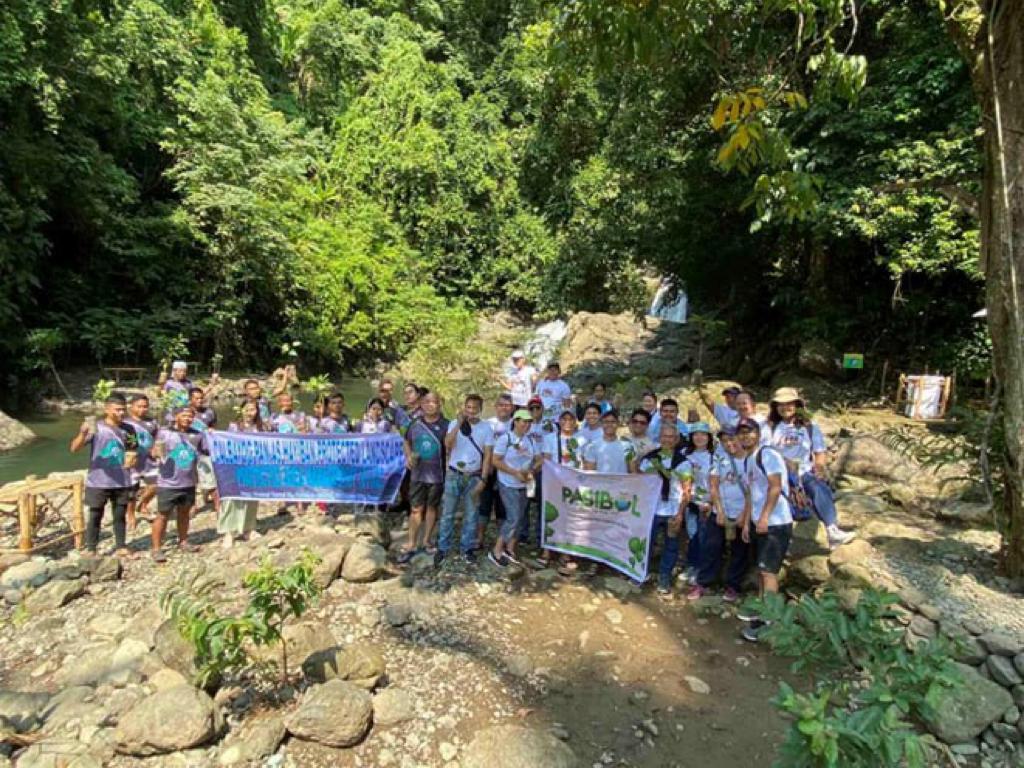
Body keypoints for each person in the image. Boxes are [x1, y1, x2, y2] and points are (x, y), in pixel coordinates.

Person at [767, 387, 855, 548]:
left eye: (789, 404)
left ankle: (831, 529)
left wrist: (820, 468)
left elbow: (819, 452)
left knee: (817, 486)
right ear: (775, 407)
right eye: (780, 404)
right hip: (778, 474)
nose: (785, 408)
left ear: (796, 405)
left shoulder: (809, 426)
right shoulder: (770, 427)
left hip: (804, 471)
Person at [734, 417, 793, 642]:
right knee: (761, 570)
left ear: (757, 434)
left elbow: (775, 487)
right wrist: (749, 521)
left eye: (749, 432)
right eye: (741, 433)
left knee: (769, 572)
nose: (745, 436)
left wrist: (765, 517)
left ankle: (769, 621)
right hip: (760, 522)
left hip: (776, 522)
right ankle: (762, 610)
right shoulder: (750, 458)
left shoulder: (767, 454)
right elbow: (751, 493)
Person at [69, 393, 138, 557]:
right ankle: (91, 548)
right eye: (117, 410)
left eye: (123, 410)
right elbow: (74, 448)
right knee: (95, 515)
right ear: (107, 409)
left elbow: (132, 451)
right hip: (98, 480)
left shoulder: (129, 429)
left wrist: (132, 460)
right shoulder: (96, 427)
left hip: (122, 480)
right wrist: (82, 433)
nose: (121, 413)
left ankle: (121, 545)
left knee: (120, 514)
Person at [436, 394, 494, 566]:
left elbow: (488, 454)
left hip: (474, 476)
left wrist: (483, 479)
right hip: (454, 473)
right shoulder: (455, 424)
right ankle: (443, 547)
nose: (471, 411)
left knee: (471, 515)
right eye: (468, 407)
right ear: (464, 407)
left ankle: (466, 548)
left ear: (480, 410)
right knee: (447, 513)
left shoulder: (486, 428)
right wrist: (459, 425)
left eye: (474, 408)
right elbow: (447, 444)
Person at [638, 422, 692, 597]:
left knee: (671, 546)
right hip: (653, 509)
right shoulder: (649, 459)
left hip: (673, 509)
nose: (667, 440)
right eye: (664, 436)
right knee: (647, 543)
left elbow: (686, 489)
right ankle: (641, 572)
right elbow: (642, 483)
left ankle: (664, 578)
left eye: (671, 437)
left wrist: (680, 512)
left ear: (676, 439)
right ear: (659, 438)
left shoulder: (683, 463)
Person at [398, 392, 449, 563]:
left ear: (439, 404)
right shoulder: (414, 423)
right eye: (426, 402)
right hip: (418, 473)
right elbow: (405, 440)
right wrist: (408, 456)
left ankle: (427, 540)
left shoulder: (446, 425)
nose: (430, 405)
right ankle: (412, 542)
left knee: (432, 508)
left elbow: (450, 449)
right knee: (415, 509)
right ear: (421, 404)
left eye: (433, 402)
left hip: (437, 475)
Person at [151, 406, 207, 561]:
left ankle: (183, 541)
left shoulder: (197, 435)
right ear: (176, 416)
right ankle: (156, 548)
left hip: (188, 482)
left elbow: (206, 451)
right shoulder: (165, 432)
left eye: (190, 416)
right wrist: (155, 452)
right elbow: (153, 452)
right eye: (184, 415)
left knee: (184, 513)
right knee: (162, 515)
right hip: (168, 482)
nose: (187, 419)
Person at [705, 426, 754, 603]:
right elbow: (713, 485)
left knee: (739, 551)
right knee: (712, 546)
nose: (729, 444)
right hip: (721, 510)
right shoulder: (719, 457)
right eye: (725, 441)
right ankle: (705, 582)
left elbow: (752, 491)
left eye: (732, 439)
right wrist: (719, 509)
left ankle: (733, 586)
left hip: (742, 512)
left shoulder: (751, 459)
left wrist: (744, 515)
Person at [538, 409, 588, 574]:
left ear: (575, 422)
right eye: (564, 419)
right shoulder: (550, 438)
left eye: (571, 419)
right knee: (550, 516)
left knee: (570, 518)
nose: (567, 422)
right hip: (553, 482)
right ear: (559, 421)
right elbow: (545, 459)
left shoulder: (581, 439)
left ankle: (566, 552)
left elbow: (584, 462)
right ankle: (547, 550)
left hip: (574, 484)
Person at [488, 409, 541, 568]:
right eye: (523, 421)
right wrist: (514, 472)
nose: (526, 425)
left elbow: (539, 459)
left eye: (529, 422)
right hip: (508, 483)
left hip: (524, 484)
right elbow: (495, 460)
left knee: (521, 517)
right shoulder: (506, 438)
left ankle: (510, 549)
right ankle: (496, 550)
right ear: (515, 422)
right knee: (513, 517)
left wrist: (532, 470)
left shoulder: (531, 441)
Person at [217, 401, 263, 548]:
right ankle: (229, 532)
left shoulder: (261, 428)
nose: (251, 412)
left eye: (253, 409)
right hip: (235, 467)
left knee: (251, 499)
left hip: (253, 468)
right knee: (232, 499)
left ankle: (248, 528)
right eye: (248, 409)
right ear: (241, 410)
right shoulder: (234, 426)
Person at [680, 423, 715, 599]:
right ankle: (692, 566)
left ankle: (700, 570)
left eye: (703, 434)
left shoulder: (714, 457)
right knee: (692, 535)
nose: (699, 438)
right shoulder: (685, 455)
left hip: (707, 504)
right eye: (696, 434)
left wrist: (710, 502)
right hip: (690, 502)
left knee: (703, 537)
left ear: (709, 438)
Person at [478, 394, 514, 549]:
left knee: (503, 508)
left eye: (507, 405)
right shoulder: (488, 424)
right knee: (484, 505)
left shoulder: (516, 424)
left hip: (507, 472)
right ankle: (479, 539)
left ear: (512, 407)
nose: (503, 408)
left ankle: (503, 540)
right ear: (495, 406)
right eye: (500, 405)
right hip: (489, 470)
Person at [123, 393, 158, 531]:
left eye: (145, 407)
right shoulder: (124, 423)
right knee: (131, 491)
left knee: (156, 484)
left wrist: (156, 449)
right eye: (139, 406)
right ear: (131, 407)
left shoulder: (152, 422)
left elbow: (157, 437)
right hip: (132, 462)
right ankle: (130, 515)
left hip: (149, 460)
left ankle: (143, 503)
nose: (143, 409)